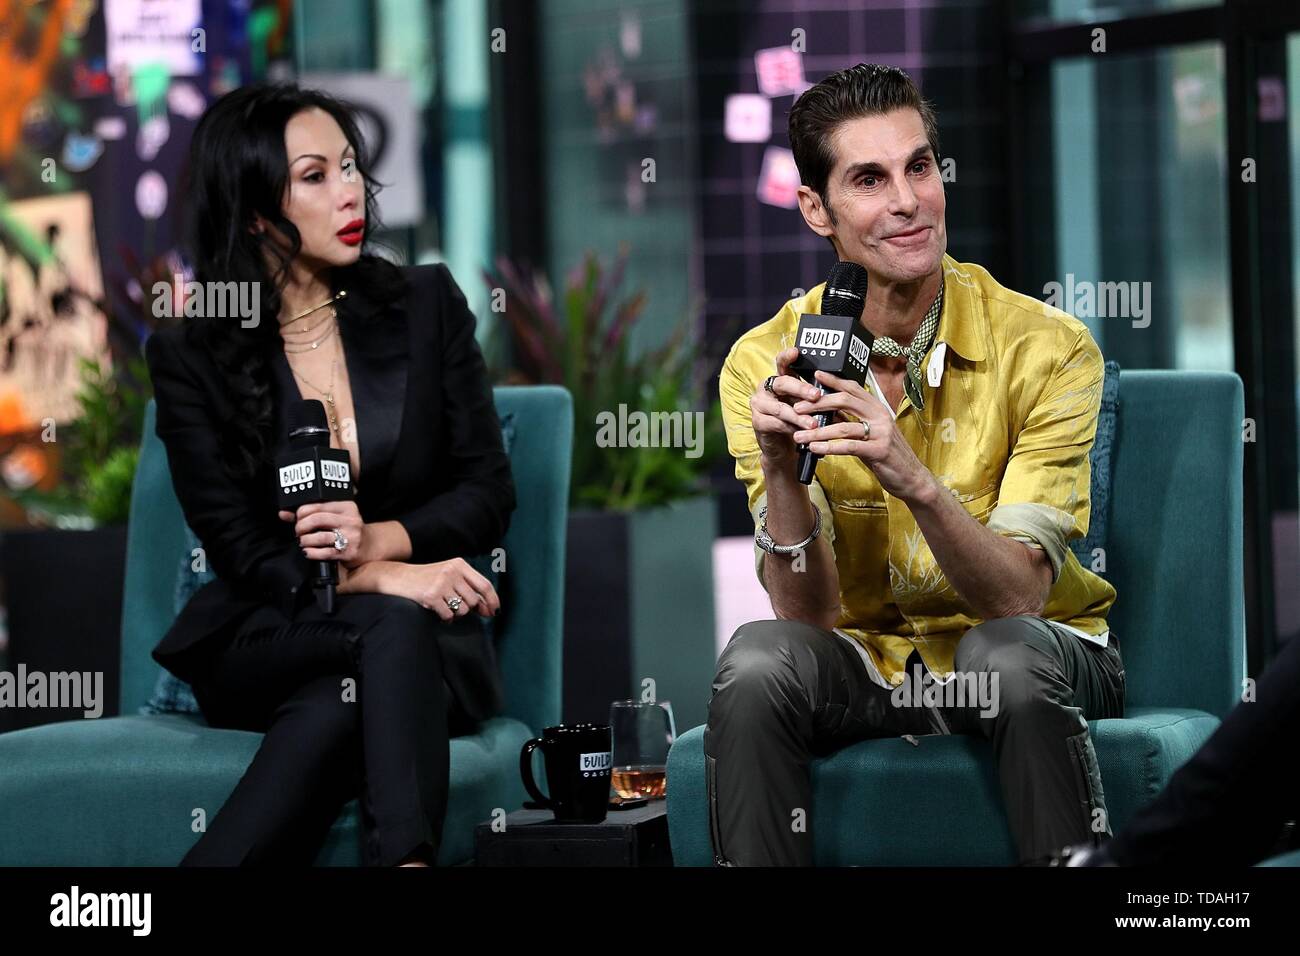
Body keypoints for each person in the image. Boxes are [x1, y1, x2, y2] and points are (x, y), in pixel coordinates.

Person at [709, 63, 1123, 866]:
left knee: (1000, 652)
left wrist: (913, 478)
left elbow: (1021, 597)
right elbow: (808, 619)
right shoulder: (763, 361)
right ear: (816, 210)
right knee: (757, 660)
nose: (908, 201)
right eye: (869, 179)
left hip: (1039, 651)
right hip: (867, 663)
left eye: (920, 166)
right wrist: (781, 463)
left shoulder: (1049, 347)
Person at [143, 84, 515, 867]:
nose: (349, 191)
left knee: (334, 711)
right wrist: (386, 579)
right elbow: (242, 548)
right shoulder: (191, 352)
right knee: (389, 627)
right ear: (251, 210)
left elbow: (488, 492)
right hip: (271, 631)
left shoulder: (424, 304)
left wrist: (378, 540)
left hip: (415, 647)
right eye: (314, 176)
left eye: (349, 166)